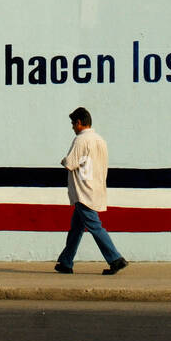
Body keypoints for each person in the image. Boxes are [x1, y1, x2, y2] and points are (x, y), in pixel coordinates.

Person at [55, 107, 128, 275]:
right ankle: (66, 262)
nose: (72, 127)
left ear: (79, 123)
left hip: (83, 191)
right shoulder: (100, 140)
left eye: (73, 123)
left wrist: (63, 160)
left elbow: (70, 163)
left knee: (95, 226)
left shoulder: (81, 140)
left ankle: (115, 259)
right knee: (76, 228)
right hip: (95, 188)